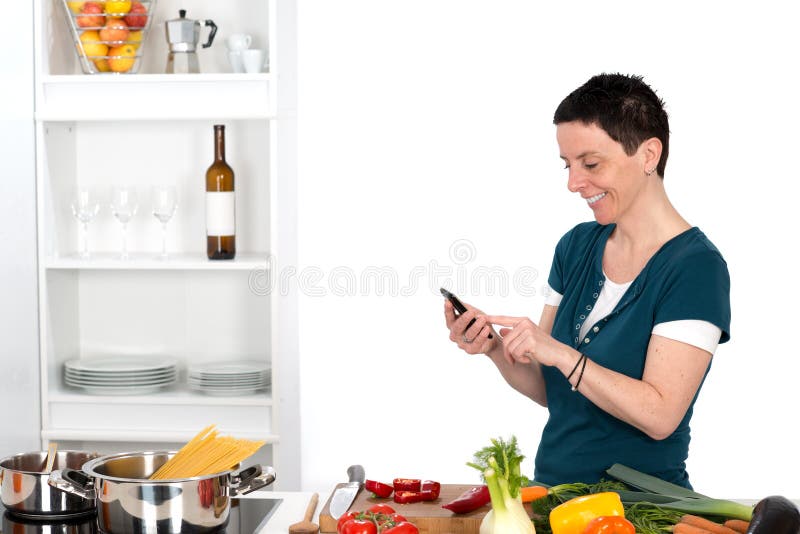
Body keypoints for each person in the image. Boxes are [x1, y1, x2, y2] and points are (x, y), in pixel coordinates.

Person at [444, 73, 730, 488]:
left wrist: (561, 354)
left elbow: (660, 416)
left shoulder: (696, 268)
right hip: (555, 501)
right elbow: (550, 388)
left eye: (591, 164)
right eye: (568, 165)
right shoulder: (575, 247)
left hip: (637, 511)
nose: (573, 183)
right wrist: (493, 346)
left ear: (649, 154)